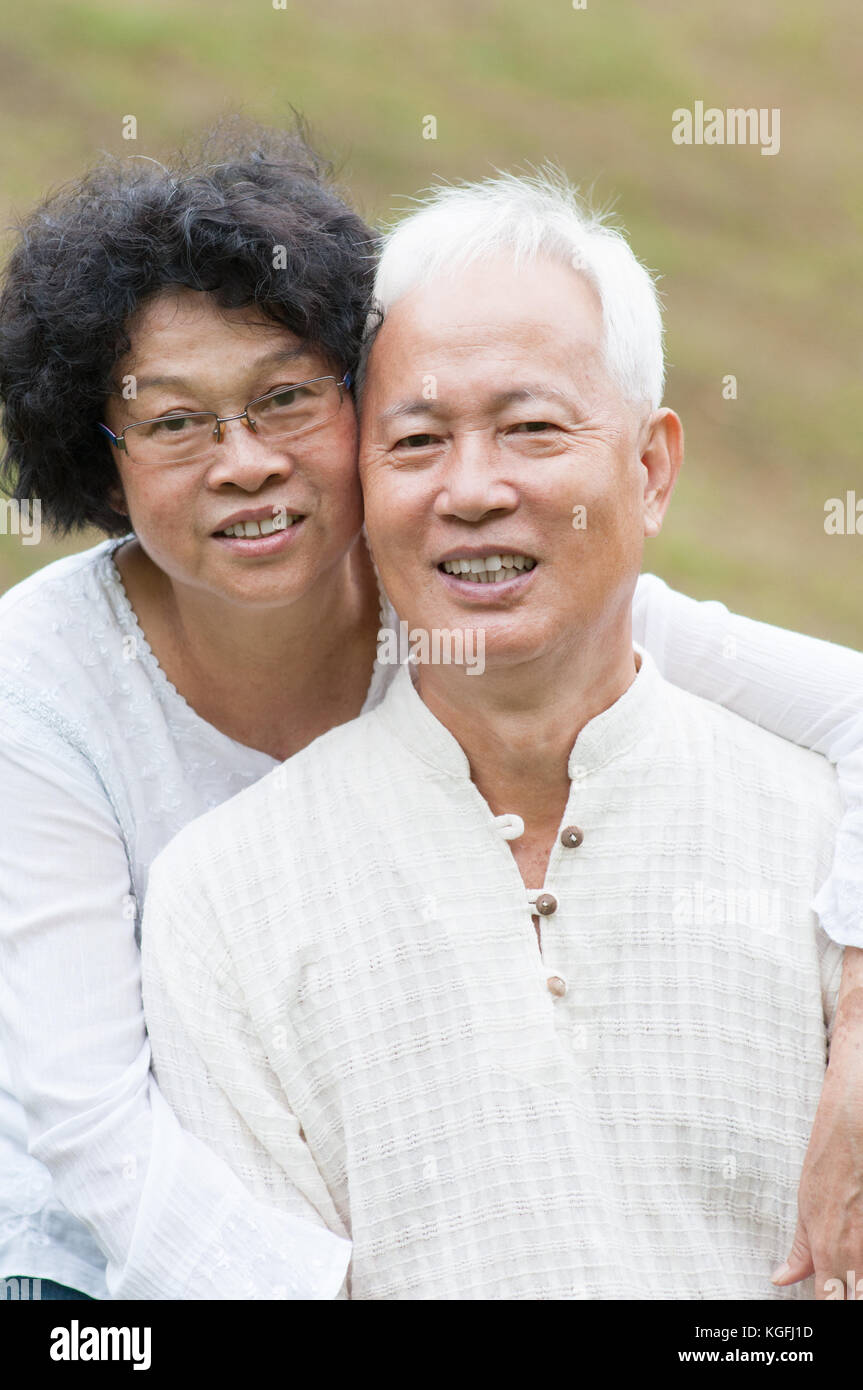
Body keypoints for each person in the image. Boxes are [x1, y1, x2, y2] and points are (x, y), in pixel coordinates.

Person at [0, 131, 860, 1301]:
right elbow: (91, 1118)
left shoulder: (472, 572)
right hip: (101, 1248)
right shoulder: (43, 682)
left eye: (286, 399)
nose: (243, 461)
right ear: (100, 465)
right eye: (173, 423)